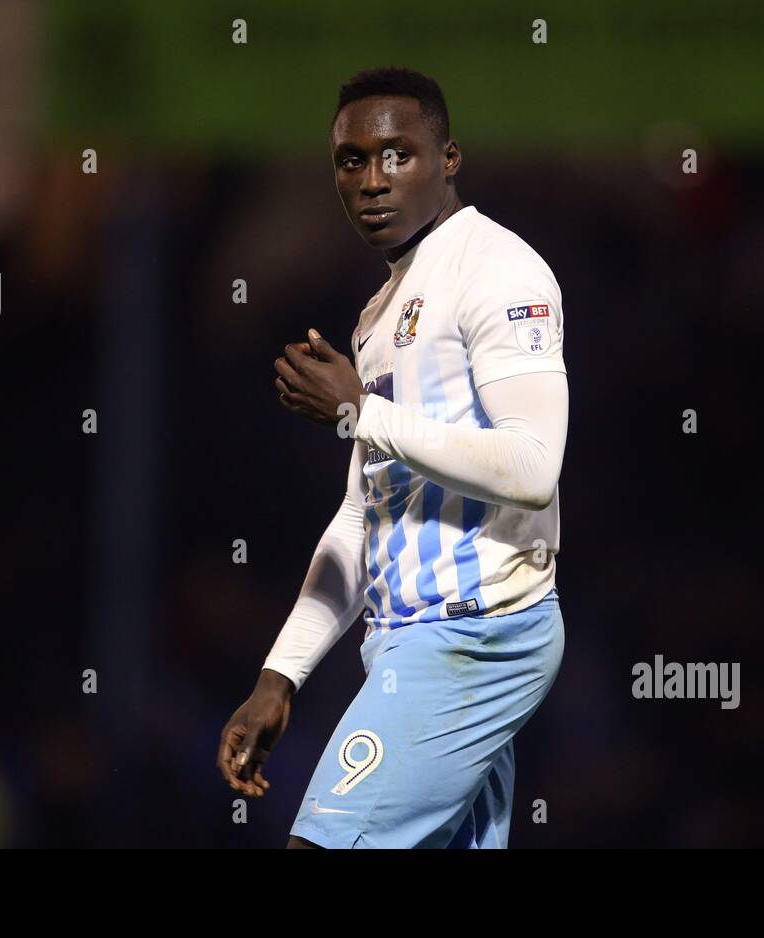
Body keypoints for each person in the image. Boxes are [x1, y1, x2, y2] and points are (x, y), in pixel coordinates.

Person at [217, 66, 569, 849]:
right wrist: (280, 677)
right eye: (352, 161)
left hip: (476, 637)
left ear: (448, 159)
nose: (373, 181)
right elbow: (361, 514)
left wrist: (361, 411)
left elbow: (534, 464)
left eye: (397, 155)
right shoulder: (378, 317)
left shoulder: (501, 271)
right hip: (411, 643)